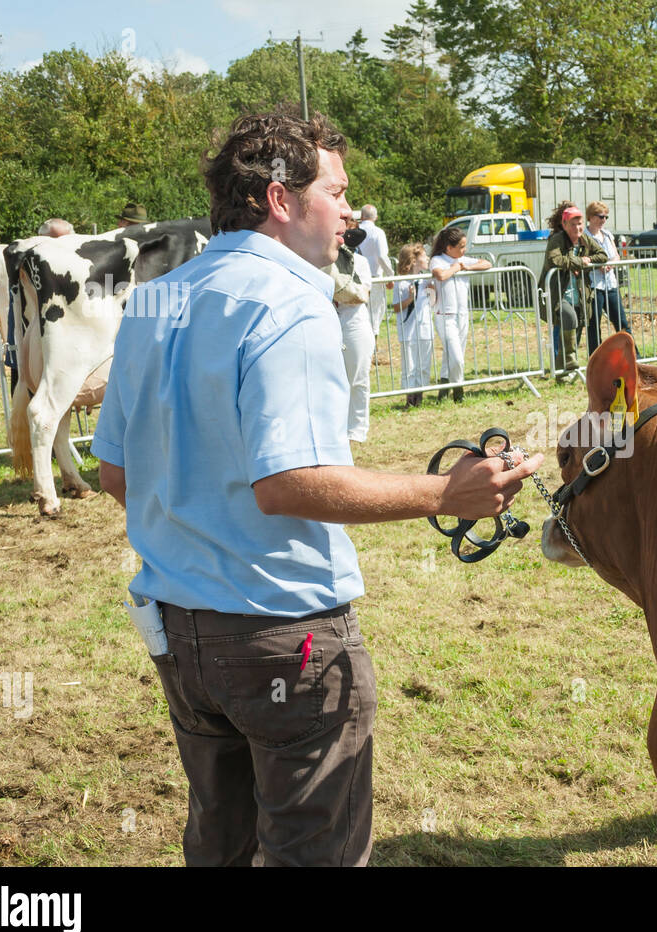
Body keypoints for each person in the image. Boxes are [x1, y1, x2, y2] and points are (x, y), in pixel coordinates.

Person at [91, 109, 543, 867]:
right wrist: (445, 495)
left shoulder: (159, 297)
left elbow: (116, 474)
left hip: (181, 630)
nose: (349, 212)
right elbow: (289, 482)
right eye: (335, 191)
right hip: (282, 634)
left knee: (220, 845)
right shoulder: (290, 301)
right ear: (280, 199)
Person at [538, 203, 607, 379]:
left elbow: (602, 255)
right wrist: (579, 262)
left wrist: (588, 259)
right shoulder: (557, 239)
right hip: (557, 292)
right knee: (568, 318)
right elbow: (555, 260)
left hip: (578, 292)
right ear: (564, 225)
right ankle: (568, 360)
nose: (578, 227)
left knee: (576, 325)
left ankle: (564, 371)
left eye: (580, 223)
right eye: (573, 224)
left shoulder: (585, 239)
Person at [429, 225, 491, 401]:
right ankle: (458, 390)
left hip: (462, 315)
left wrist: (467, 268)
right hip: (445, 315)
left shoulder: (463, 260)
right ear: (449, 248)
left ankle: (443, 391)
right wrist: (456, 268)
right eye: (461, 247)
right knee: (456, 357)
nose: (464, 250)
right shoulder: (438, 260)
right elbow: (440, 275)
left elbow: (487, 263)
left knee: (454, 354)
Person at [333, 231, 374, 442]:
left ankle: (357, 429)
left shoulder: (360, 261)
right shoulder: (321, 261)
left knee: (357, 378)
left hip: (354, 324)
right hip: (330, 323)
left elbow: (361, 295)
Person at [583, 201, 633, 351]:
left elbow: (616, 255)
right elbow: (585, 258)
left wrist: (611, 263)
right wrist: (598, 265)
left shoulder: (607, 234)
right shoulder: (584, 236)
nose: (603, 220)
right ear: (591, 217)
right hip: (593, 285)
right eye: (600, 216)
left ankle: (633, 354)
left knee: (621, 322)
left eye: (606, 217)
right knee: (594, 326)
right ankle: (596, 359)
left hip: (610, 284)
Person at [392, 242, 435, 406]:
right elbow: (396, 307)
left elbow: (432, 303)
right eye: (424, 256)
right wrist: (410, 298)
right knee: (409, 365)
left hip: (424, 328)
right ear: (414, 260)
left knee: (424, 364)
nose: (427, 258)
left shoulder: (425, 280)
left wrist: (432, 290)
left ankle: (420, 395)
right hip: (408, 330)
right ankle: (409, 398)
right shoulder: (401, 282)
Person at [357, 205, 393, 340]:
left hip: (356, 278)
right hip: (374, 279)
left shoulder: (354, 230)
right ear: (375, 217)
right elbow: (382, 256)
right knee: (374, 314)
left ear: (361, 216)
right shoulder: (378, 232)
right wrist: (390, 276)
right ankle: (373, 350)